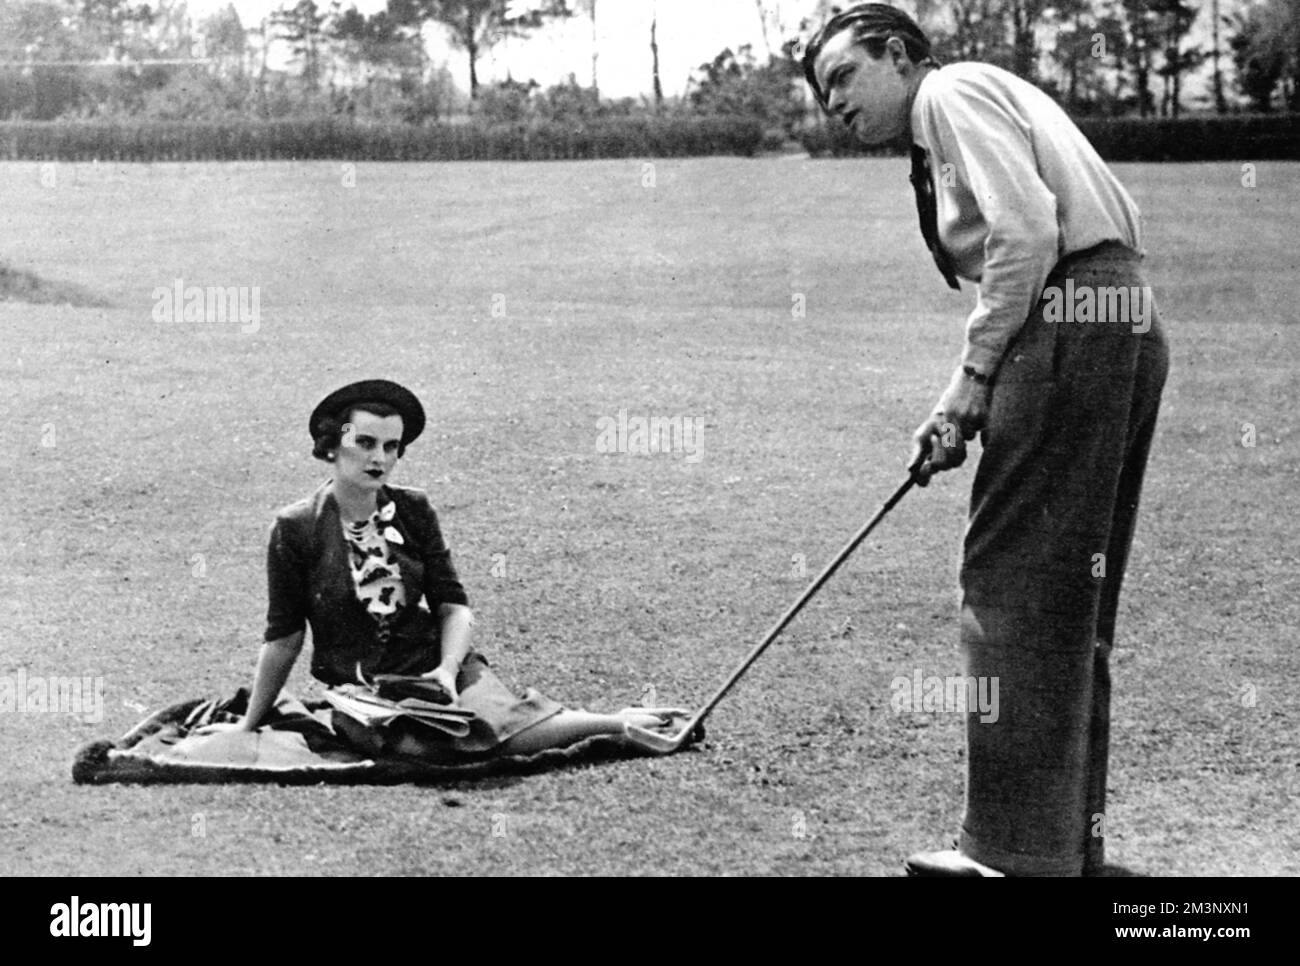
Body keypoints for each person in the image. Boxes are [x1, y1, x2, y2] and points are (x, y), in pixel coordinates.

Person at [802, 5, 1169, 875]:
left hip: (1073, 312)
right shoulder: (957, 113)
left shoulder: (950, 94)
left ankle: (1009, 856)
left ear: (899, 54)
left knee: (1010, 587)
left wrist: (973, 384)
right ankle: (1064, 847)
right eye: (824, 95)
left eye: (845, 77)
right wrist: (964, 396)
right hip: (1120, 314)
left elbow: (1029, 234)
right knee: (1069, 605)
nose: (835, 105)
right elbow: (1041, 245)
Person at [205, 378, 689, 760]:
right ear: (332, 445)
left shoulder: (415, 509)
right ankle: (610, 724)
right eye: (366, 442)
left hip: (439, 665)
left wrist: (447, 670)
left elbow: (453, 606)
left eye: (391, 446)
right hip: (364, 691)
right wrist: (249, 724)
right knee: (423, 748)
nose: (380, 458)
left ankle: (619, 723)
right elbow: (285, 637)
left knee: (489, 725)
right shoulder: (296, 527)